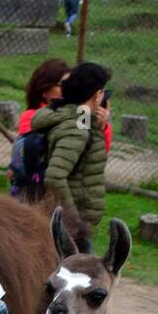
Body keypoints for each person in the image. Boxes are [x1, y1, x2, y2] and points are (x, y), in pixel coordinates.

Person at [29, 61, 111, 245]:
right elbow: (55, 176)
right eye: (102, 91)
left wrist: (99, 126)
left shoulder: (75, 115)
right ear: (97, 95)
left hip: (67, 223)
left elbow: (85, 151)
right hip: (70, 227)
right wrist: (73, 220)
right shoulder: (77, 128)